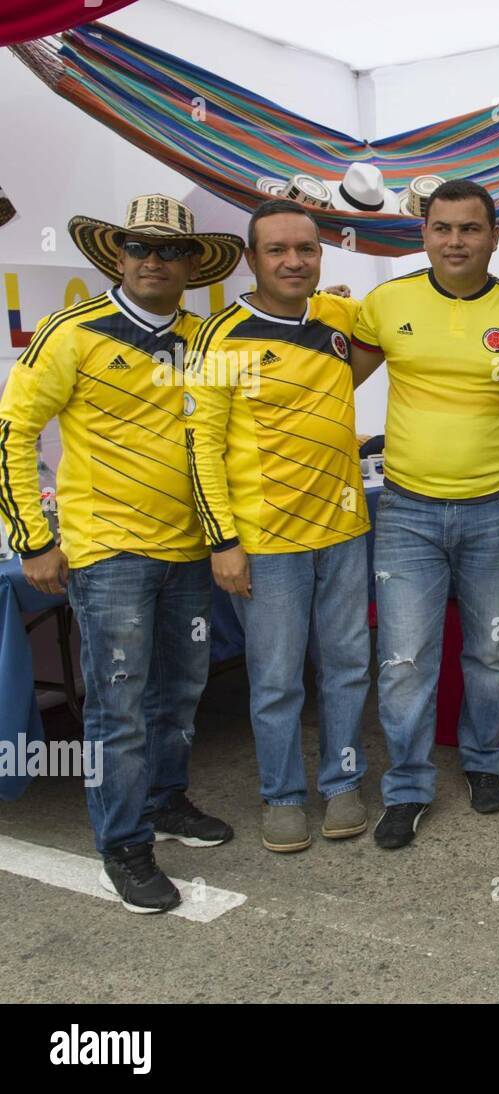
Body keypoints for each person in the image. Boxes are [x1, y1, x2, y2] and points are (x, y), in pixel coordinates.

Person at [0, 195, 239, 913]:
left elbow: (235, 429)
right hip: (109, 553)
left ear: (194, 264)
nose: (154, 260)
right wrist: (32, 540)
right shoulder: (70, 333)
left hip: (191, 550)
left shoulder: (206, 338)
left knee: (181, 690)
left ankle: (165, 801)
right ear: (117, 254)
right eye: (140, 246)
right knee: (119, 704)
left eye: (171, 250)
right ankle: (123, 845)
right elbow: (12, 431)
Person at [350, 179, 499, 848]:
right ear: (423, 234)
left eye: (470, 229)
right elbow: (334, 381)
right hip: (406, 513)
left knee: (492, 650)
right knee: (404, 658)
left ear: (494, 236)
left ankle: (485, 764)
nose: (456, 241)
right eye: (443, 228)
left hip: (495, 509)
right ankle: (406, 787)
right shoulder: (387, 303)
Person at [185, 199, 371, 854]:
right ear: (250, 259)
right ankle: (284, 795)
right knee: (276, 678)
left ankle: (343, 782)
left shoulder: (341, 317)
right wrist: (223, 542)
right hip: (268, 545)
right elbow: (200, 449)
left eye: (307, 249)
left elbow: (372, 352)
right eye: (278, 250)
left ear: (322, 255)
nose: (294, 261)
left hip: (346, 532)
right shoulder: (220, 339)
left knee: (347, 666)